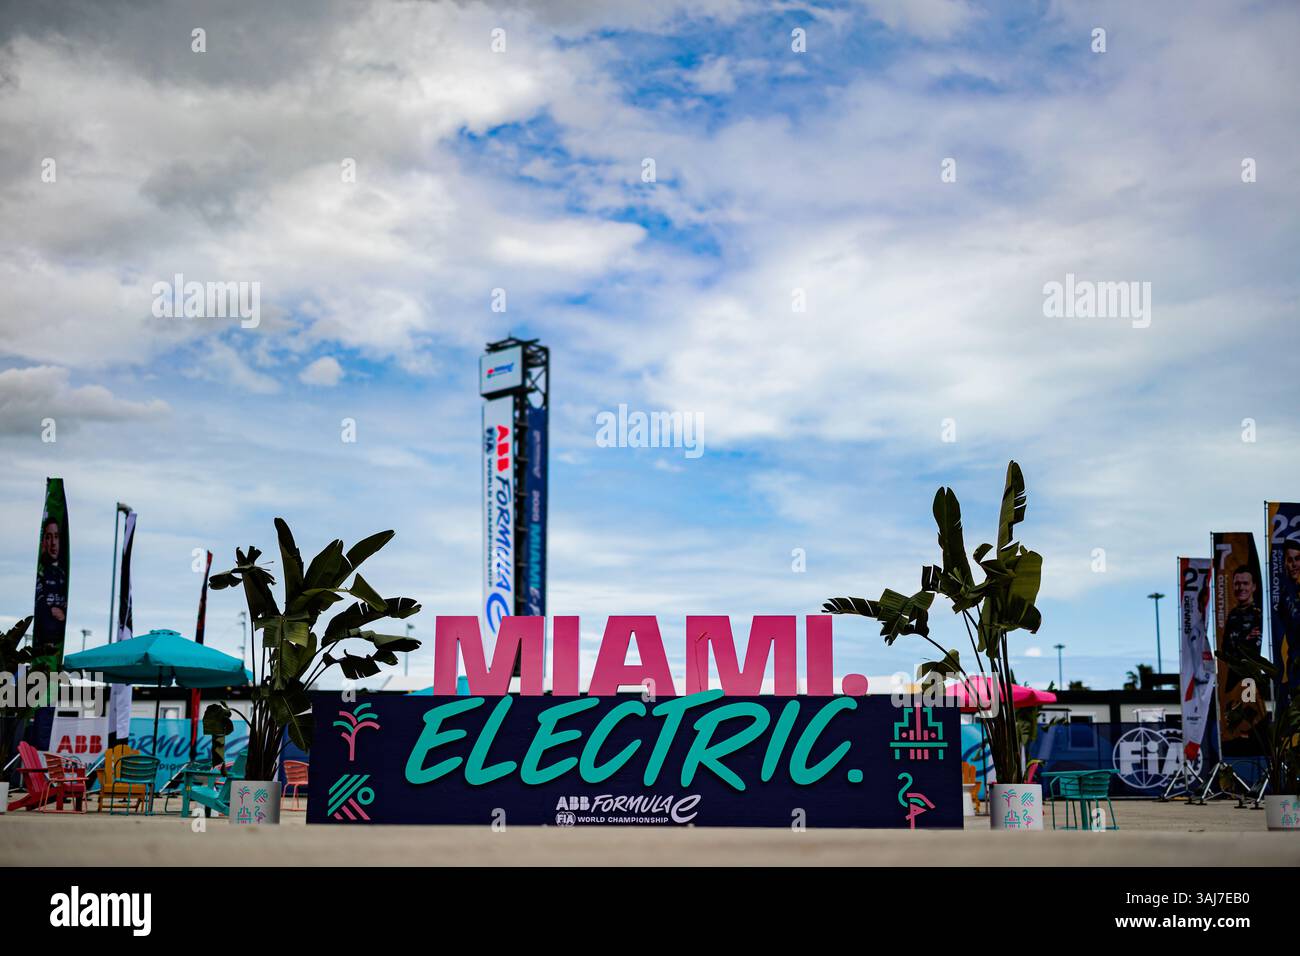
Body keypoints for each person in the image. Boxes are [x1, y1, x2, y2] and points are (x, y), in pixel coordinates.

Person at [34, 518, 68, 637]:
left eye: (56, 536)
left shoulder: (62, 574)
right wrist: (50, 611)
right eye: (49, 537)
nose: (53, 542)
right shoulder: (42, 573)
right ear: (44, 542)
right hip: (43, 642)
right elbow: (41, 606)